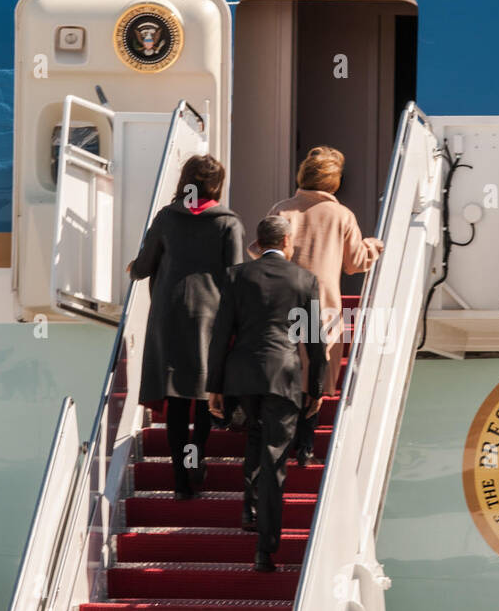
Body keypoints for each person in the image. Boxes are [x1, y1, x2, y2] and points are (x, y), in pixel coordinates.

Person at [207, 215, 325, 572]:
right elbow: (313, 338)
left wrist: (214, 386)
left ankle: (251, 506)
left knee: (256, 437)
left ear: (259, 242)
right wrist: (315, 387)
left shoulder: (236, 276)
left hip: (242, 374)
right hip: (283, 375)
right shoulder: (304, 280)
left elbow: (220, 333)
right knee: (274, 458)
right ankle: (265, 549)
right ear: (287, 241)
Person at [127, 154, 245, 499]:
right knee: (204, 394)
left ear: (185, 181)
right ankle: (197, 457)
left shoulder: (166, 217)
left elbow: (144, 268)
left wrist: (134, 267)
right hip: (210, 314)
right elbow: (236, 273)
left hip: (169, 313)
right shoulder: (229, 223)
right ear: (217, 185)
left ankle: (180, 481)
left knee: (177, 400)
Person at [259, 147, 383, 465]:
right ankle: (306, 446)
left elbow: (260, 251)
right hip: (323, 304)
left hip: (282, 300)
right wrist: (374, 245)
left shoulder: (282, 209)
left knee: (286, 369)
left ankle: (276, 444)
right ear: (334, 182)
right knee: (316, 369)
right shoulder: (342, 215)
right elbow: (355, 263)